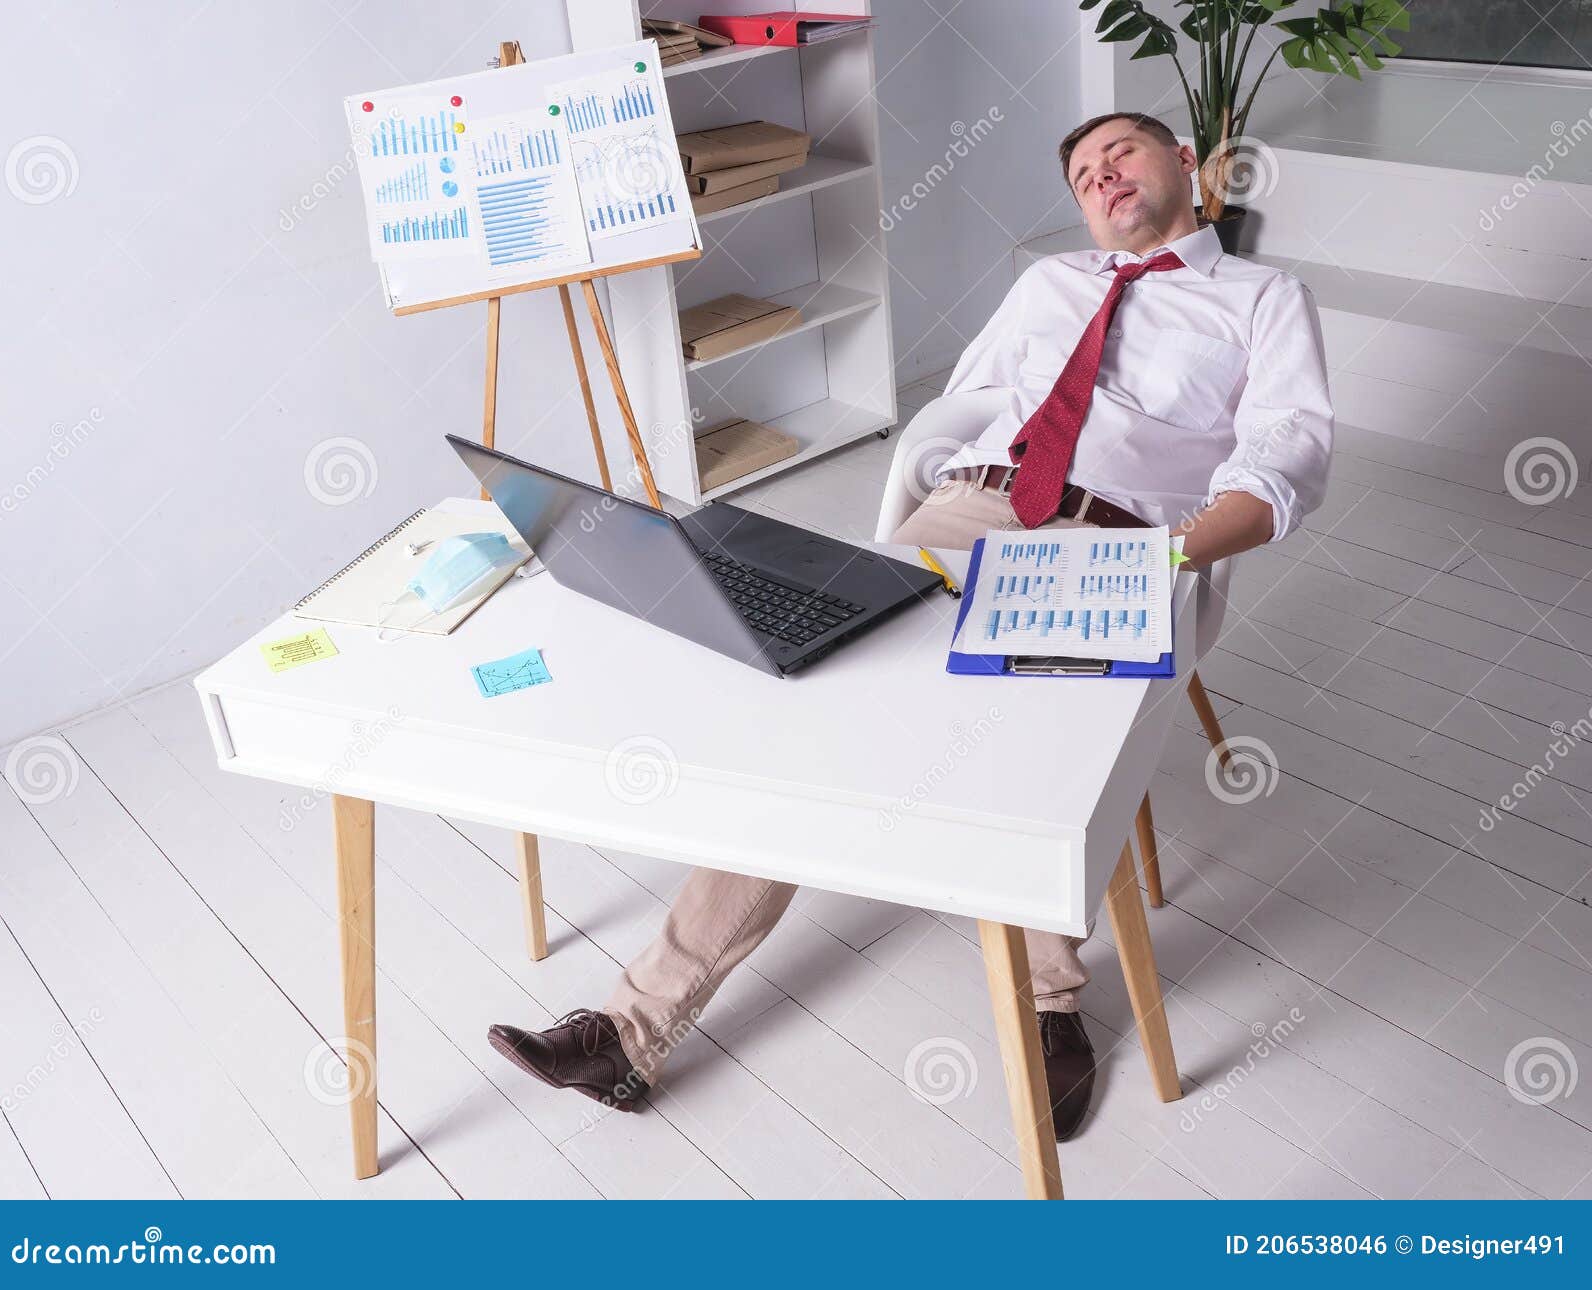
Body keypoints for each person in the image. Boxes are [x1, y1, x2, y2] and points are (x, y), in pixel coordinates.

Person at [488, 111, 1334, 1143]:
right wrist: (926, 506)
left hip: (1116, 545)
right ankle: (630, 1028)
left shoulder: (1260, 297)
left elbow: (1286, 451)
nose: (1101, 176)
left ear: (1185, 166)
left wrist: (1165, 559)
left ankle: (1049, 1001)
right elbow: (966, 405)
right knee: (814, 711)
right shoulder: (1048, 284)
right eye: (1079, 171)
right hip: (970, 513)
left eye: (1120, 152)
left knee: (1026, 737)